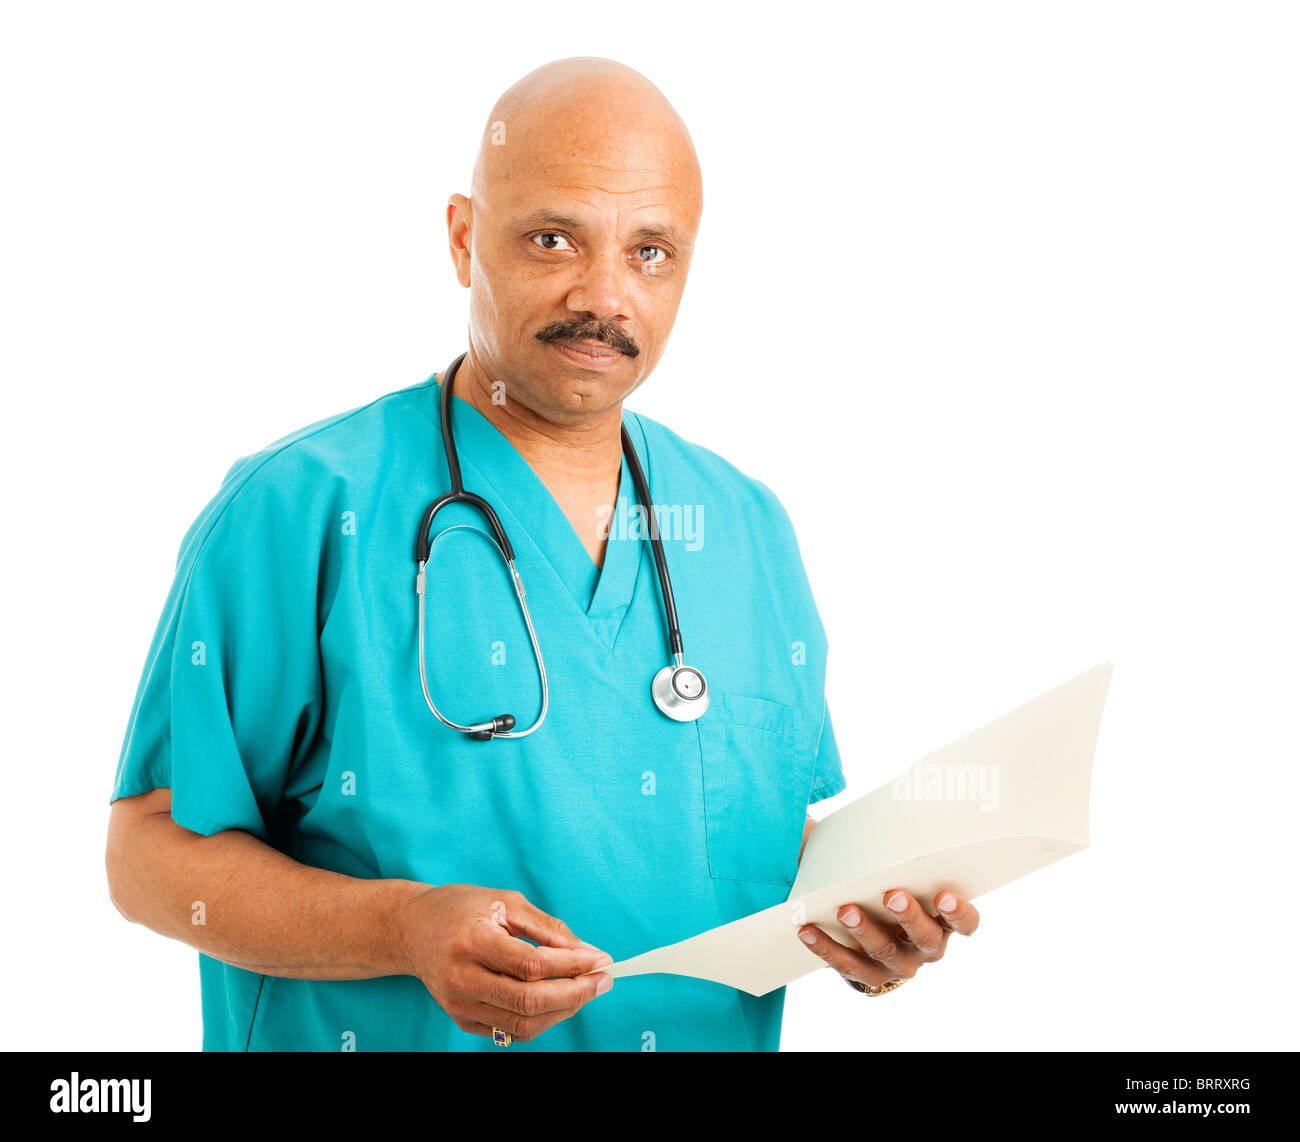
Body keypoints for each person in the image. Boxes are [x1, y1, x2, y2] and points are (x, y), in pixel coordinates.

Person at [106, 56, 977, 1052]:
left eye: (651, 252)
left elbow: (745, 855)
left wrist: (863, 922)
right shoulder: (302, 508)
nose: (603, 296)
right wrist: (401, 926)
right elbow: (146, 855)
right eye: (554, 238)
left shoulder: (745, 528)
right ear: (463, 237)